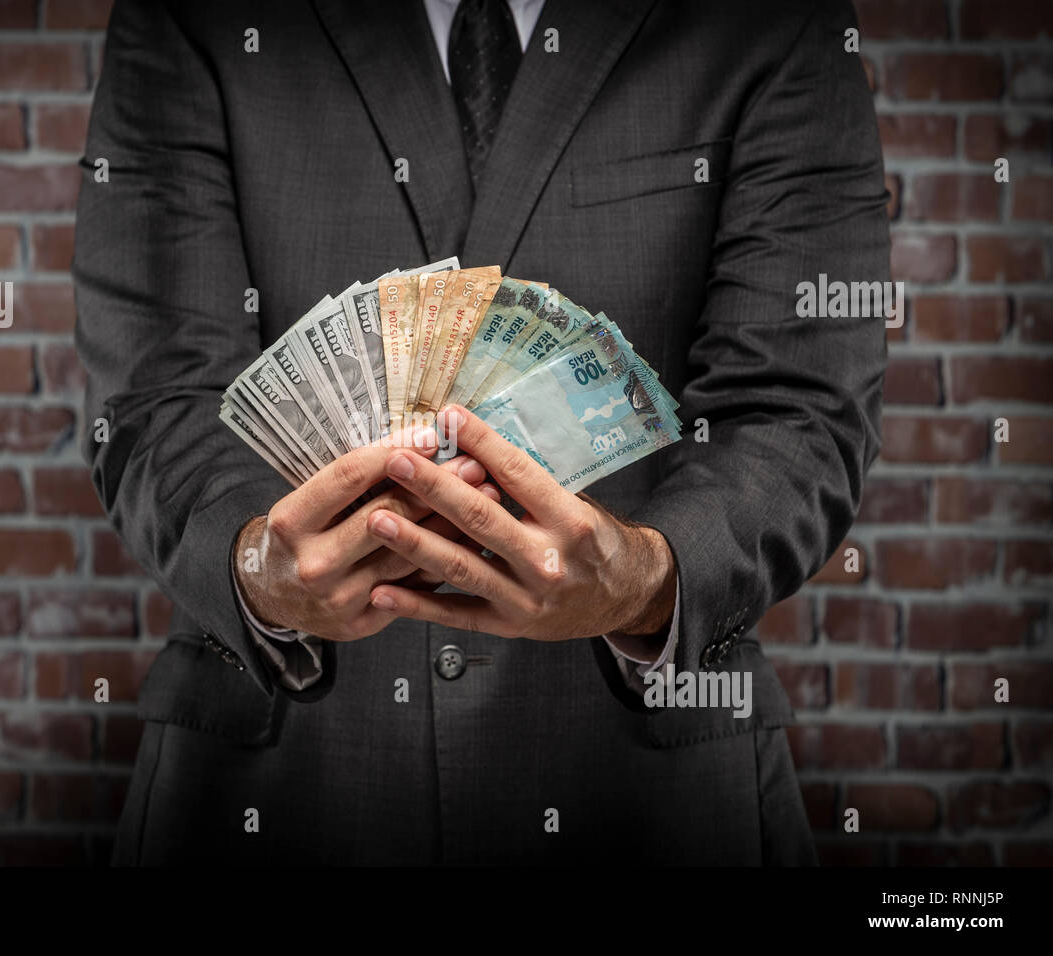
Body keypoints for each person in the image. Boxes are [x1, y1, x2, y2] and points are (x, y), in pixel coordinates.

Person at [74, 0, 887, 865]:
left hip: (646, 801)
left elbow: (798, 406)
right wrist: (260, 571)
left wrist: (646, 577)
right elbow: (156, 395)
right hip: (274, 791)